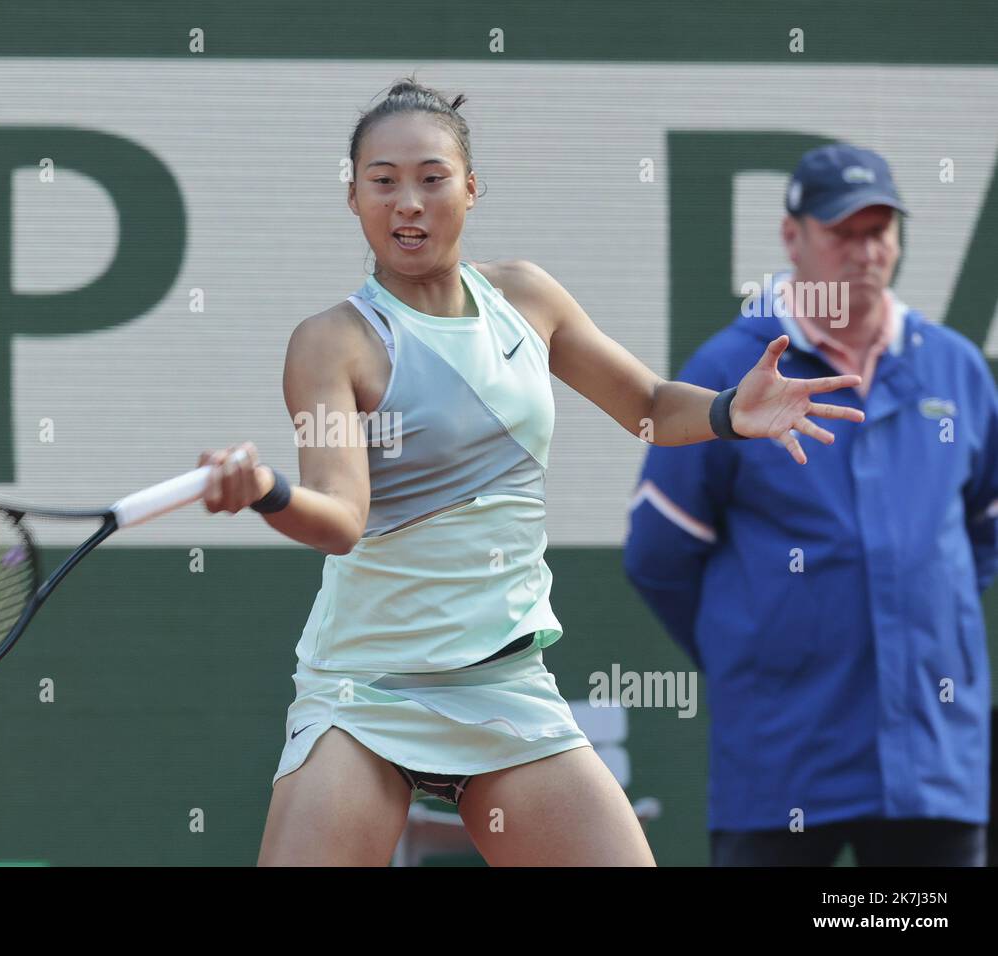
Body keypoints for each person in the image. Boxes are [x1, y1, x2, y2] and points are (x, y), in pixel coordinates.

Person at [199, 78, 862, 867]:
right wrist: (267, 491)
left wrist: (728, 411)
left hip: (506, 686)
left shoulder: (526, 297)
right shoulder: (331, 342)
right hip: (366, 692)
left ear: (471, 188)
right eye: (382, 182)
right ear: (353, 197)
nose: (407, 201)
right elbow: (341, 520)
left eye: (431, 178)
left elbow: (646, 403)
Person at [624, 143, 998, 866]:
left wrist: (916, 625)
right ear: (792, 236)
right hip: (781, 764)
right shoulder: (731, 367)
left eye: (881, 229)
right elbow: (659, 555)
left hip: (932, 767)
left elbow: (982, 534)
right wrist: (759, 652)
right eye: (844, 230)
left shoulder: (956, 369)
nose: (867, 251)